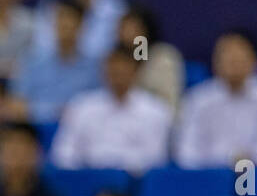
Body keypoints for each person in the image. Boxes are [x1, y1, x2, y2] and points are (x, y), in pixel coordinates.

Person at [174, 31, 257, 169]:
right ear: (215, 62)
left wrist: (248, 159)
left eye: (240, 57)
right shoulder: (198, 99)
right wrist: (224, 163)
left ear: (255, 61)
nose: (234, 62)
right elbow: (186, 152)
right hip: (209, 176)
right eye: (227, 56)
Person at [50, 43, 172, 174]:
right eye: (113, 67)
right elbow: (63, 152)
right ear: (105, 70)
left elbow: (156, 158)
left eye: (124, 67)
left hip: (133, 181)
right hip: (88, 178)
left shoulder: (156, 111)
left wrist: (117, 169)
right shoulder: (82, 106)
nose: (118, 73)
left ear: (136, 71)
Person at [7, 0, 101, 123]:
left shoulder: (95, 65)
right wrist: (53, 112)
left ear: (83, 25)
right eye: (61, 18)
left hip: (80, 128)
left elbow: (99, 106)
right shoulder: (31, 60)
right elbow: (16, 106)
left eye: (71, 19)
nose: (66, 24)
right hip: (38, 129)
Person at [116, 4, 183, 112]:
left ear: (146, 29)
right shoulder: (115, 59)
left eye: (133, 28)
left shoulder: (163, 57)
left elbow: (170, 103)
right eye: (123, 27)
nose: (127, 33)